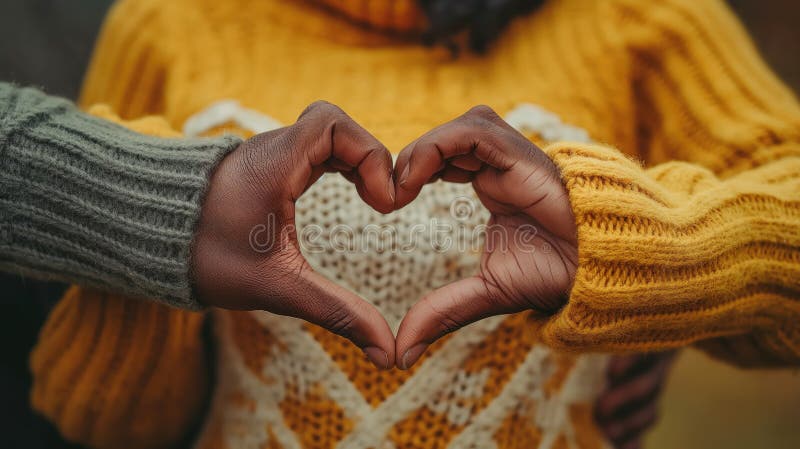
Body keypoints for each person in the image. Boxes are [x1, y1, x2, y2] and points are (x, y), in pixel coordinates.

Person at [8, 0, 798, 448]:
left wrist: (645, 251)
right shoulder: (169, 23)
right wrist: (169, 248)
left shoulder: (641, 17)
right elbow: (109, 418)